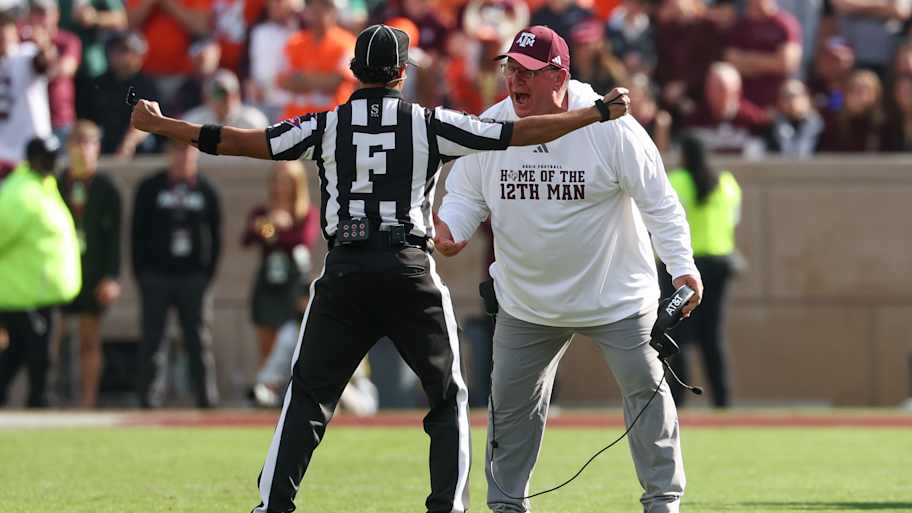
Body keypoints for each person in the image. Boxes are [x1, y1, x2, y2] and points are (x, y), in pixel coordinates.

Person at [129, 22, 630, 513]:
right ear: (401, 74)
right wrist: (594, 115)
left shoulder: (325, 124)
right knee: (447, 397)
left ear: (354, 71)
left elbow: (242, 141)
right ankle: (447, 507)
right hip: (408, 269)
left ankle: (273, 505)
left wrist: (165, 126)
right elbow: (517, 134)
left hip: (344, 271)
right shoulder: (429, 123)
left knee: (307, 397)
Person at [434, 25, 701, 513]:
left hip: (617, 298)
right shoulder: (493, 126)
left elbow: (659, 203)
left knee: (647, 391)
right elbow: (466, 195)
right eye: (510, 68)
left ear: (559, 77)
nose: (515, 79)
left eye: (528, 71)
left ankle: (663, 502)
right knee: (509, 412)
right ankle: (506, 507)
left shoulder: (611, 126)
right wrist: (451, 229)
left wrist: (683, 267)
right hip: (527, 303)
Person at [131, 141, 222, 409]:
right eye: (177, 150)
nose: (182, 156)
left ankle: (206, 399)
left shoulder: (206, 190)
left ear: (196, 154)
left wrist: (206, 275)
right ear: (168, 153)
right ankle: (148, 399)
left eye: (187, 150)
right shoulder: (150, 188)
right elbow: (136, 234)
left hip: (193, 277)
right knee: (153, 339)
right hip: (156, 276)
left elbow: (216, 237)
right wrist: (142, 274)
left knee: (198, 339)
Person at [659, 134, 740, 409]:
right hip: (719, 263)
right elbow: (733, 219)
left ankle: (677, 398)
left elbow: (662, 219)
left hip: (683, 267)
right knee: (713, 335)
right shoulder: (727, 183)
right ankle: (722, 400)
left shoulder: (676, 180)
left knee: (677, 333)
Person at [0, 136, 81, 408]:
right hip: (25, 293)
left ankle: (38, 399)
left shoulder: (41, 186)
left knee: (19, 354)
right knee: (37, 356)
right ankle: (39, 401)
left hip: (35, 292)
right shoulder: (22, 193)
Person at [57, 120, 122, 408]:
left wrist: (112, 277)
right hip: (58, 273)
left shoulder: (107, 188)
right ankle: (50, 396)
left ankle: (87, 401)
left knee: (89, 339)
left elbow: (116, 239)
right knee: (54, 339)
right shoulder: (58, 184)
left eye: (89, 143)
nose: (83, 150)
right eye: (77, 143)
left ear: (97, 148)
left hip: (92, 271)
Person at [241, 161, 318, 369]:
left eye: (286, 181)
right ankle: (266, 383)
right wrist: (268, 225)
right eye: (277, 181)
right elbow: (247, 239)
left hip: (295, 283)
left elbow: (303, 240)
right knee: (267, 343)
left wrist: (278, 229)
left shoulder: (305, 213)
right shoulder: (262, 212)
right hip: (269, 281)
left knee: (298, 342)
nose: (281, 186)